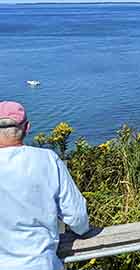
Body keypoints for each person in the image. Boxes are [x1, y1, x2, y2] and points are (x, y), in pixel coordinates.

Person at [0, 101, 90, 270]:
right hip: (40, 264)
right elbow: (77, 216)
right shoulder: (48, 160)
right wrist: (83, 230)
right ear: (27, 127)